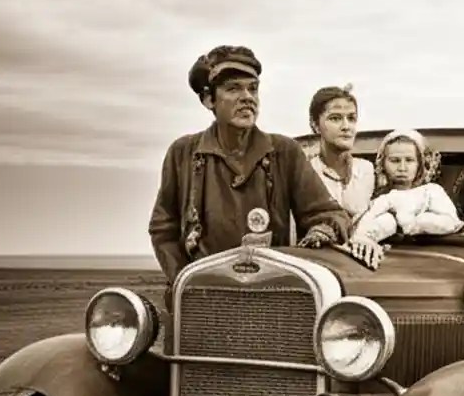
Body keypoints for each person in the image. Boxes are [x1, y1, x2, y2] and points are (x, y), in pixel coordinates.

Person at [148, 45, 351, 300]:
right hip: (202, 298)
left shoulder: (284, 151)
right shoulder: (184, 153)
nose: (248, 97)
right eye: (233, 88)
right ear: (209, 99)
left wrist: (320, 232)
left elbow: (328, 213)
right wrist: (184, 279)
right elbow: (163, 228)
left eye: (253, 88)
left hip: (272, 296)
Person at [345, 129, 462, 268]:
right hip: (384, 264)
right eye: (394, 161)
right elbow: (362, 228)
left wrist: (415, 223)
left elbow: (451, 222)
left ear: (420, 163)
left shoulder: (431, 192)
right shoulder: (377, 197)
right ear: (383, 163)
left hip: (429, 261)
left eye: (409, 160)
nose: (402, 167)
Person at [304, 84, 375, 218]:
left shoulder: (366, 170)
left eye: (351, 118)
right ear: (315, 125)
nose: (346, 126)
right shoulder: (307, 172)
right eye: (335, 118)